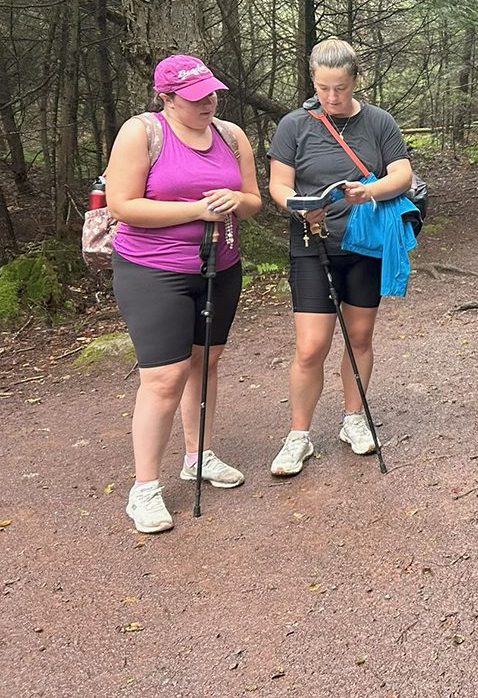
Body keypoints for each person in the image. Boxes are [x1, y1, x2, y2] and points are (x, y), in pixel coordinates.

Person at [108, 55, 262, 533]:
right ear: (167, 98)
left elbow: (254, 201)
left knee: (205, 361)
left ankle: (199, 455)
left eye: (212, 94)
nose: (208, 103)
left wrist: (237, 202)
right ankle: (145, 490)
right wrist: (197, 210)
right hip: (152, 270)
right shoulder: (142, 132)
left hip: (221, 266)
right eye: (196, 98)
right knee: (164, 376)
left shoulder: (232, 136)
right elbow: (122, 205)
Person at [267, 38, 413, 476]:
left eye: (342, 88)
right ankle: (299, 435)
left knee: (359, 336)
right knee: (311, 346)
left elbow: (402, 174)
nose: (333, 97)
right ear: (313, 79)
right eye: (325, 87)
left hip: (364, 242)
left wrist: (370, 190)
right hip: (313, 242)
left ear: (355, 81)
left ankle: (354, 419)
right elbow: (278, 182)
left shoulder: (378, 122)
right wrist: (297, 203)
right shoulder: (294, 125)